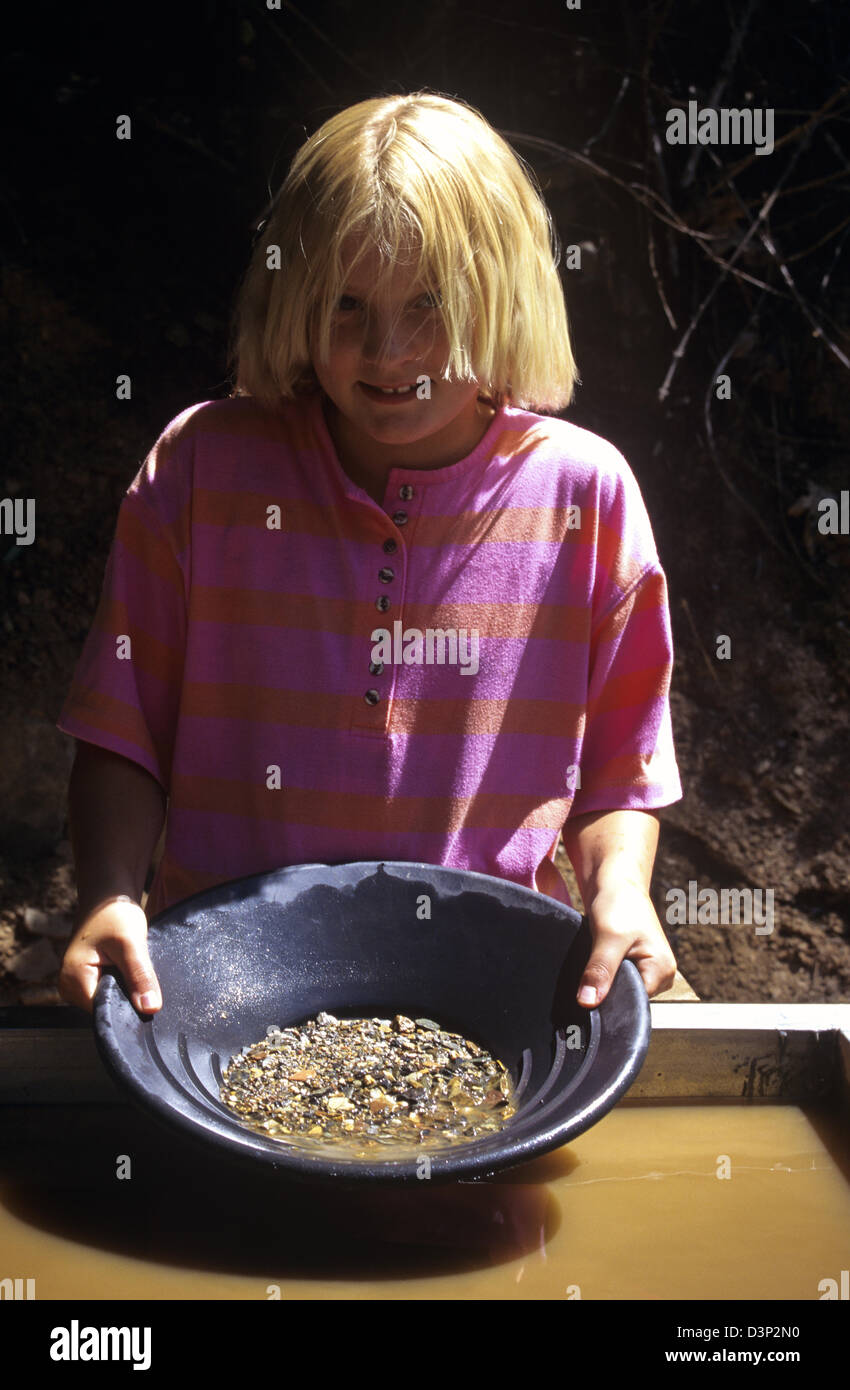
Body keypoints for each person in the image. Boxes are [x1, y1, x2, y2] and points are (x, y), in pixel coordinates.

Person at [57, 91, 681, 1018]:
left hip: (501, 992)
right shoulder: (202, 469)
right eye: (346, 305)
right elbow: (122, 732)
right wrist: (110, 893)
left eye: (429, 304)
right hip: (218, 991)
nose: (388, 353)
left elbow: (620, 778)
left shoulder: (586, 495)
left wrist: (620, 893)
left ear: (504, 296)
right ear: (291, 296)